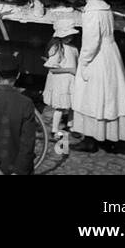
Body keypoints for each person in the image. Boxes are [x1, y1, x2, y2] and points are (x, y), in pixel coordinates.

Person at [70, 0, 125, 151]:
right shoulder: (105, 8)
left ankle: (91, 139)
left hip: (97, 57)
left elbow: (91, 43)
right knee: (109, 97)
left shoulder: (92, 12)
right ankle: (108, 136)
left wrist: (83, 63)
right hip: (110, 54)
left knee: (92, 96)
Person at [43, 18, 80, 155]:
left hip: (71, 82)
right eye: (66, 35)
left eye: (71, 35)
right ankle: (54, 129)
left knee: (72, 105)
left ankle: (71, 126)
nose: (69, 37)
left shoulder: (74, 49)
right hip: (61, 81)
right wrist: (69, 70)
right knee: (60, 107)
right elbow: (52, 69)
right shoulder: (57, 48)